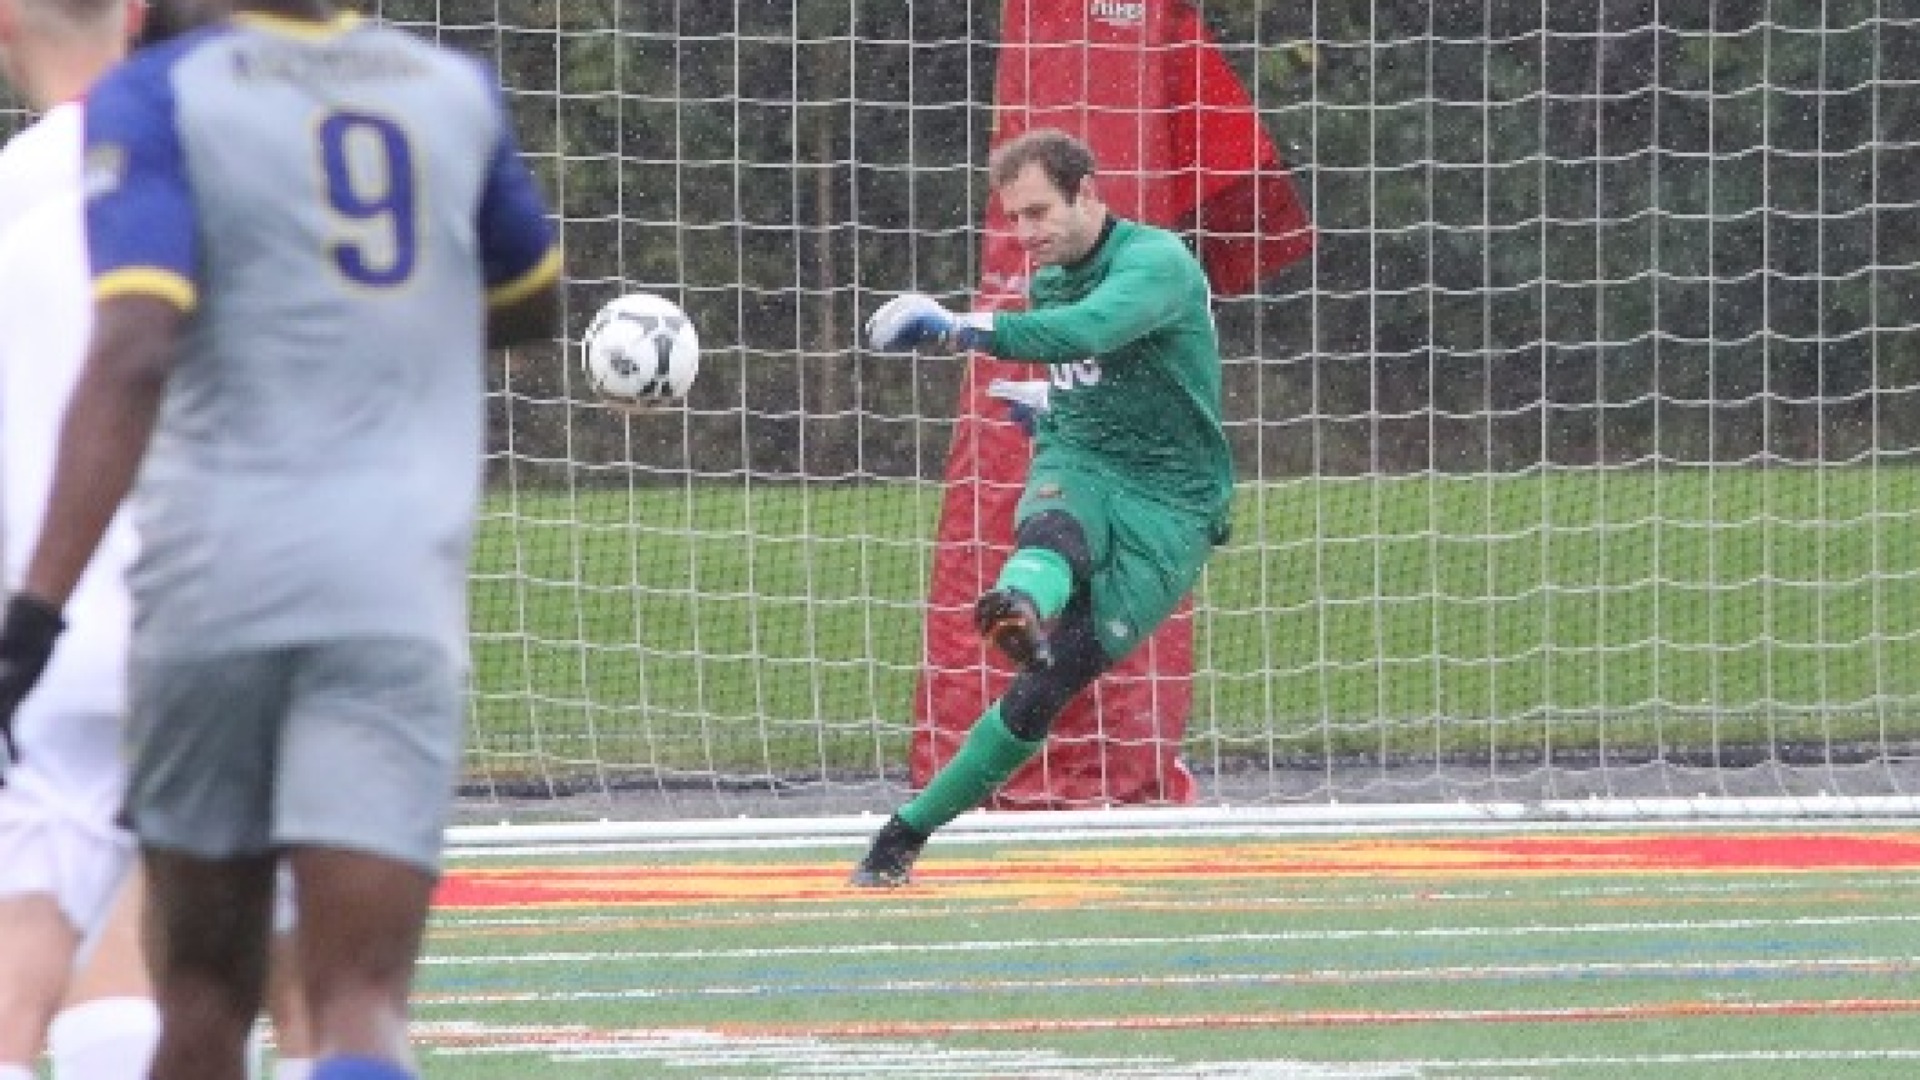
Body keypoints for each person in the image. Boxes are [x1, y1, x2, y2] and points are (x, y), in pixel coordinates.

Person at [0, 3, 562, 1080]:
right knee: (356, 998)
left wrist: (36, 609)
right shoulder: (450, 90)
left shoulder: (160, 93)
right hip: (388, 592)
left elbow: (133, 348)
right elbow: (530, 297)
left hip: (213, 588)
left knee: (203, 994)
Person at [854, 127, 1233, 887]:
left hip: (1175, 501)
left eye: (1038, 213)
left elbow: (1093, 331)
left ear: (1086, 192)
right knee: (1054, 530)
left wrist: (959, 327)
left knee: (1045, 691)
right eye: (1013, 219)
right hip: (1084, 457)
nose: (1025, 234)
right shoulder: (1051, 276)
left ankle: (914, 823)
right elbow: (1086, 365)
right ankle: (1017, 612)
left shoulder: (1156, 261)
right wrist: (1052, 402)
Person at [0, 4, 158, 1080]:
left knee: (25, 958)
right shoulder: (203, 170)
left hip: (45, 620)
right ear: (137, 14)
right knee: (189, 960)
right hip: (200, 609)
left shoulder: (17, 189)